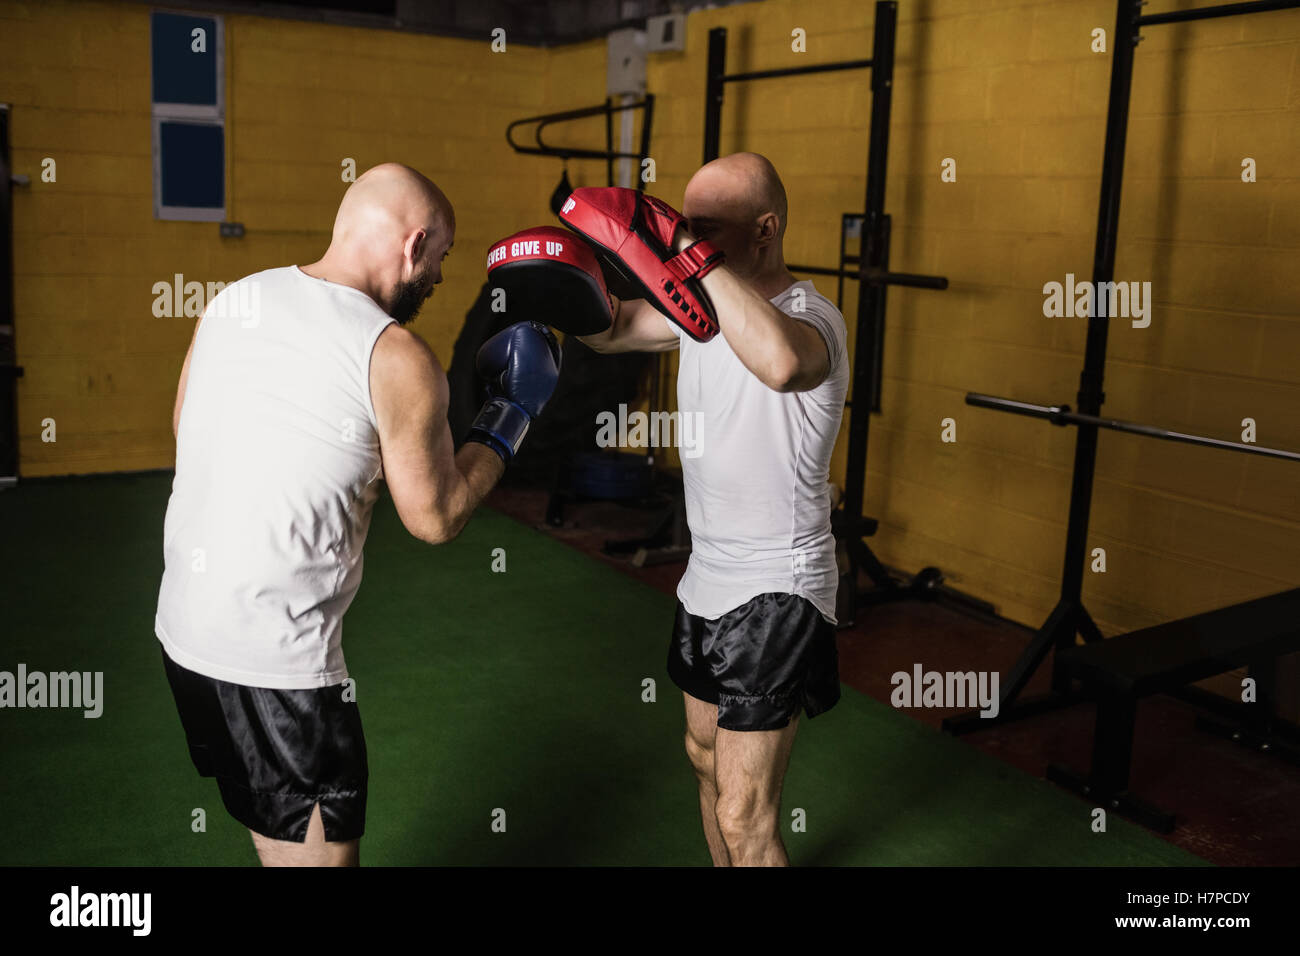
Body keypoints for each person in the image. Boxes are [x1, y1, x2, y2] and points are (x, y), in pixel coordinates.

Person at [155, 163, 559, 866]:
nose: (437, 277)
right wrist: (511, 415)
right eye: (441, 258)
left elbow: (183, 428)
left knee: (272, 829)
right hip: (279, 667)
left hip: (185, 637)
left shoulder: (235, 300)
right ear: (415, 243)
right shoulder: (395, 354)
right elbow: (434, 518)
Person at [577, 153, 849, 866]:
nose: (681, 244)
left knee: (744, 813)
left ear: (766, 229)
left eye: (702, 230)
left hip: (779, 585)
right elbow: (608, 332)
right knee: (702, 757)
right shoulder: (692, 310)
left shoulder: (811, 318)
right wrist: (556, 284)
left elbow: (781, 364)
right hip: (707, 577)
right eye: (679, 227)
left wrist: (685, 254)